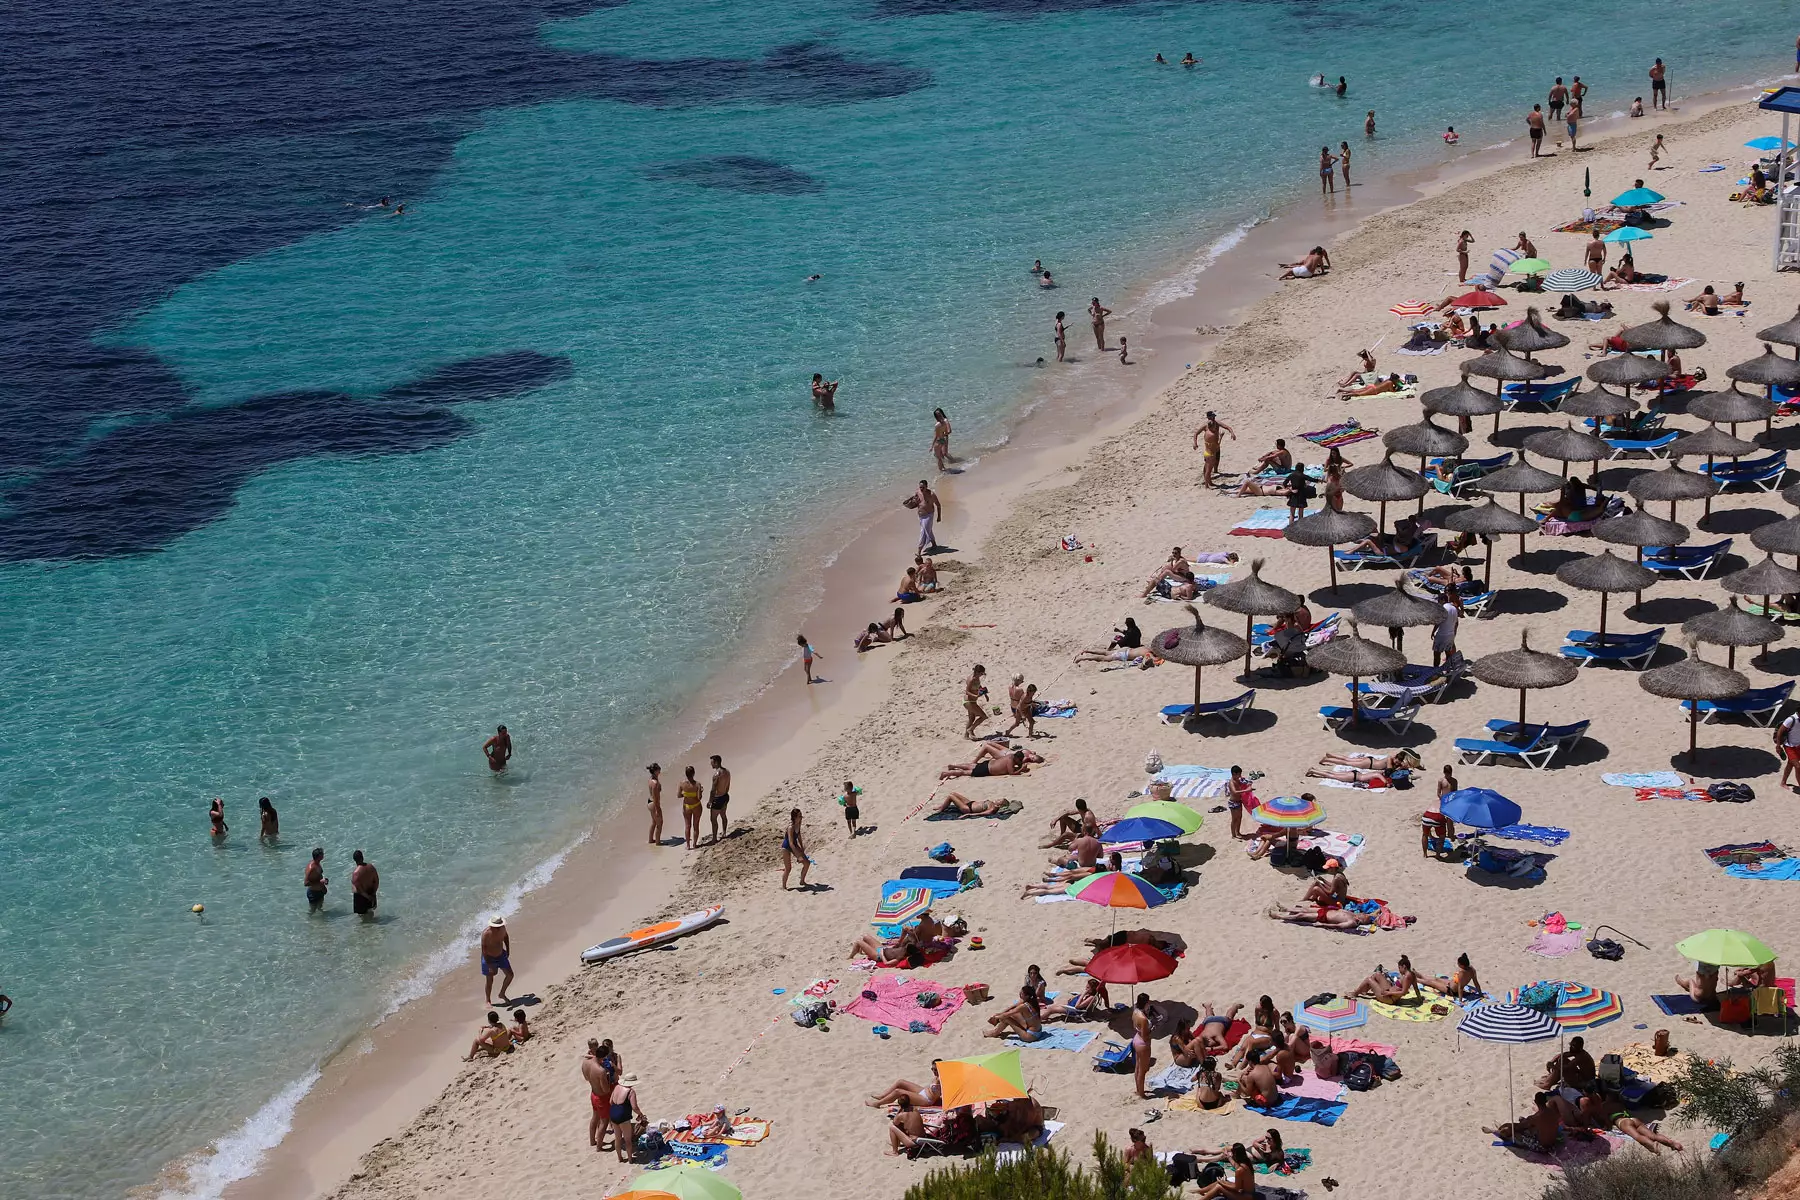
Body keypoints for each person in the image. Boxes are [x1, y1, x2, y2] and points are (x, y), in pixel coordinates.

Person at [1577, 1086, 1684, 1153]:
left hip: (1623, 1122)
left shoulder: (1605, 1107)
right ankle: (1672, 1143)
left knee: (1637, 1136)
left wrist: (1606, 1127)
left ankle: (1652, 1145)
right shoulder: (1618, 1104)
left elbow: (1607, 1123)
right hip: (1633, 1119)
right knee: (1653, 1135)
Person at [1483, 1092, 1564, 1154]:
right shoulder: (1552, 1112)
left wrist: (1511, 1125)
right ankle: (1500, 1129)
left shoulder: (1537, 1117)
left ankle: (1496, 1131)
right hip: (1554, 1143)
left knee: (1514, 1132)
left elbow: (1520, 1127)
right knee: (1529, 1125)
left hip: (1543, 1147)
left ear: (1535, 1101)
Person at [583, 1039, 618, 1152]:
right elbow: (606, 1089)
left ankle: (592, 1141)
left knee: (595, 1117)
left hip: (593, 1094)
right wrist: (607, 1078)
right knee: (604, 1121)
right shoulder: (601, 1071)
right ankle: (599, 1146)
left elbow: (586, 1078)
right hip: (602, 1097)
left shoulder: (586, 1062)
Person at [606, 1073, 646, 1161]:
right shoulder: (631, 1092)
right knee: (628, 1140)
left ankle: (620, 1158)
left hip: (613, 1113)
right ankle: (630, 1159)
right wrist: (641, 1114)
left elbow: (610, 1102)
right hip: (623, 1116)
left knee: (617, 1138)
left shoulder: (616, 1087)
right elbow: (634, 1107)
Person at [941, 744, 1034, 780]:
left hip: (988, 763)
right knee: (964, 772)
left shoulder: (1010, 756)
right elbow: (1012, 773)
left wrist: (1020, 766)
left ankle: (953, 766)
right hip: (987, 769)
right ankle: (946, 774)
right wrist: (1021, 769)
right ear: (1017, 759)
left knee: (971, 765)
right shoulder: (1010, 760)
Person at [868, 1063, 943, 1108]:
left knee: (898, 1092)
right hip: (924, 1091)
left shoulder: (941, 1079)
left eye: (935, 1069)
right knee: (900, 1082)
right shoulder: (937, 1076)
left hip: (926, 1100)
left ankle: (877, 1104)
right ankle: (882, 1096)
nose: (933, 1071)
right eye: (932, 1069)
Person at [1347, 955, 1419, 1001]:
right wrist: (1420, 1000)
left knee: (1368, 979)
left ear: (1404, 967)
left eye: (1399, 968)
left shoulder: (1407, 977)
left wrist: (1389, 993)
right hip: (1390, 992)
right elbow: (1416, 988)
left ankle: (1355, 993)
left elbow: (1403, 992)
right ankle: (1363, 990)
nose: (1399, 970)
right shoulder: (1412, 974)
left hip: (1390, 999)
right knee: (1377, 974)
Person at [1194, 412, 1236, 486]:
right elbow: (1196, 433)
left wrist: (1232, 433)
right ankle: (1207, 484)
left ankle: (1209, 481)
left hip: (1209, 450)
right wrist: (1195, 443)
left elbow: (1227, 427)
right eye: (1212, 417)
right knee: (1208, 469)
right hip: (1211, 451)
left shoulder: (1215, 424)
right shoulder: (1207, 428)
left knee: (1211, 465)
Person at [481, 915, 514, 1005]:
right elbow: (484, 950)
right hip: (489, 957)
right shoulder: (486, 934)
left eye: (499, 926)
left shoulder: (503, 929)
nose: (498, 928)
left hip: (501, 955)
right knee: (490, 979)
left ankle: (502, 993)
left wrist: (508, 950)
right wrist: (489, 964)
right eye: (496, 927)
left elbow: (506, 937)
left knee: (510, 975)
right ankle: (488, 1000)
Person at [1131, 992, 1156, 1098]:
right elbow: (1145, 1036)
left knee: (1137, 1066)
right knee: (1143, 1069)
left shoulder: (1135, 1011)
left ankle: (1138, 1090)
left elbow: (1135, 1027)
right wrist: (1152, 1029)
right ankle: (1141, 1094)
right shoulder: (1144, 1019)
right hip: (1143, 1043)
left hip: (1136, 1039)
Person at [780, 807, 811, 889]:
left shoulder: (799, 823)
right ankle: (784, 886)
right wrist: (798, 856)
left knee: (807, 863)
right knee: (788, 868)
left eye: (801, 816)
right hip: (786, 847)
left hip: (794, 844)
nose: (801, 817)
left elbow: (799, 835)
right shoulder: (791, 827)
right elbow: (790, 843)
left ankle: (802, 881)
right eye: (799, 816)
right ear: (794, 817)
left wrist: (801, 847)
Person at [913, 479, 942, 554]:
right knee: (928, 530)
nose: (921, 489)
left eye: (923, 487)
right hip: (921, 516)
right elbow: (915, 502)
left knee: (923, 532)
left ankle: (919, 551)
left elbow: (938, 505)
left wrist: (939, 516)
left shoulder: (931, 494)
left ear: (927, 486)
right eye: (920, 487)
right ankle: (934, 544)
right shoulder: (917, 492)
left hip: (929, 515)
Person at [706, 754, 731, 843]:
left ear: (716, 763)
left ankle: (714, 838)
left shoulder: (717, 775)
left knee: (713, 819)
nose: (711, 764)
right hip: (725, 796)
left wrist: (709, 801)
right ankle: (724, 832)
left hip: (717, 799)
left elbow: (713, 790)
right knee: (723, 815)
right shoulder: (727, 772)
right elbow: (728, 786)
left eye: (712, 762)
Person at [678, 765, 703, 848]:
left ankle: (688, 845)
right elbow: (699, 797)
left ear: (686, 774)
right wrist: (701, 791)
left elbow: (679, 795)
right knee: (696, 825)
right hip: (696, 806)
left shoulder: (681, 784)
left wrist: (686, 794)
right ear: (694, 773)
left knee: (687, 826)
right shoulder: (698, 784)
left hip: (687, 806)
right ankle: (695, 844)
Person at [1433, 593, 1462, 666]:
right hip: (1450, 635)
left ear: (1443, 600)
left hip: (1442, 635)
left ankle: (1435, 671)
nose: (1438, 603)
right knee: (1448, 654)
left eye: (1439, 601)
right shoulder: (1454, 608)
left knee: (1436, 655)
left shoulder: (1443, 609)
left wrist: (1433, 631)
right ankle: (1448, 669)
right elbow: (1456, 623)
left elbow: (1438, 622)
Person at [963, 663, 990, 740]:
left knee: (972, 718)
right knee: (983, 716)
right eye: (981, 673)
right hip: (969, 701)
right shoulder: (972, 679)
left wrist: (985, 694)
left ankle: (966, 736)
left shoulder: (976, 677)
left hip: (971, 701)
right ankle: (971, 729)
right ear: (978, 672)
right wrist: (975, 696)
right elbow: (967, 691)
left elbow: (978, 685)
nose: (982, 675)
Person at [350, 850, 379, 919]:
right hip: (371, 892)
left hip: (361, 897)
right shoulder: (371, 867)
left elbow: (359, 890)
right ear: (362, 857)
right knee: (370, 914)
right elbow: (377, 881)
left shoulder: (356, 873)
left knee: (363, 919)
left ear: (354, 860)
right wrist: (373, 894)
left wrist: (368, 897)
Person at [933, 791, 1008, 817]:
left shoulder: (992, 809)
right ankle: (942, 806)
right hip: (970, 803)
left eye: (999, 800)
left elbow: (982, 813)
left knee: (951, 797)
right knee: (953, 793)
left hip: (968, 809)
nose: (997, 799)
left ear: (999, 805)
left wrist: (969, 815)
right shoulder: (992, 804)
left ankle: (941, 809)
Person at [1778, 709, 1800, 791]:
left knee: (1790, 764)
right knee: (1798, 766)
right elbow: (1780, 732)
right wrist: (1778, 746)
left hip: (1798, 746)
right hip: (1789, 746)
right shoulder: (1791, 719)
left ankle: (1783, 782)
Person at [1339, 372, 1404, 399]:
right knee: (1359, 394)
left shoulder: (1388, 380)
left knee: (1357, 390)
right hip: (1374, 390)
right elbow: (1392, 391)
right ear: (1395, 380)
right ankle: (1345, 395)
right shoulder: (1390, 383)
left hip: (1372, 386)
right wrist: (1396, 387)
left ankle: (1342, 390)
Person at [303, 847, 328, 911]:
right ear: (319, 856)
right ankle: (309, 921)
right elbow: (306, 883)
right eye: (322, 854)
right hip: (313, 893)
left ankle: (322, 921)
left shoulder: (317, 863)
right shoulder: (311, 868)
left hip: (320, 891)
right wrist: (320, 882)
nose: (323, 855)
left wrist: (323, 885)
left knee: (320, 909)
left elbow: (318, 877)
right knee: (312, 911)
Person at [931, 408, 952, 472]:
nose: (939, 416)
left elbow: (949, 430)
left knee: (944, 453)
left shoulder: (945, 420)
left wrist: (943, 434)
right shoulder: (939, 422)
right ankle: (944, 467)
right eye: (937, 415)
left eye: (939, 414)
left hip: (944, 437)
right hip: (941, 438)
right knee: (941, 455)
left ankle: (954, 461)